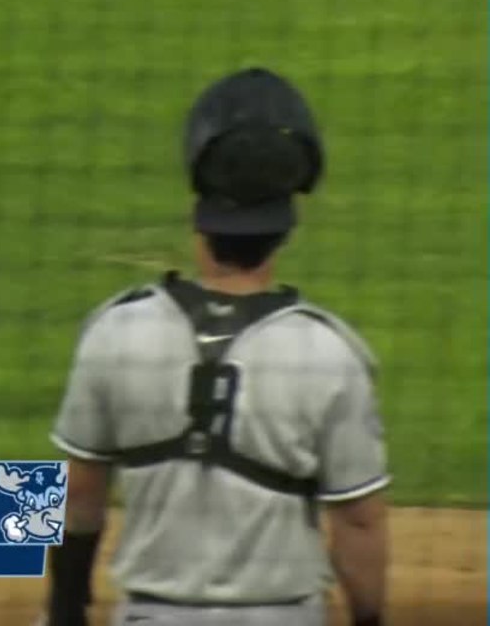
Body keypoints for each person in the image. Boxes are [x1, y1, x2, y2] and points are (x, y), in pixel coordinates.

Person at [40, 67, 391, 626]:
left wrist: (63, 612)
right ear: (285, 229)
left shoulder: (115, 334)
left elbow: (77, 495)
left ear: (196, 216)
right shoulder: (329, 356)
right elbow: (359, 521)